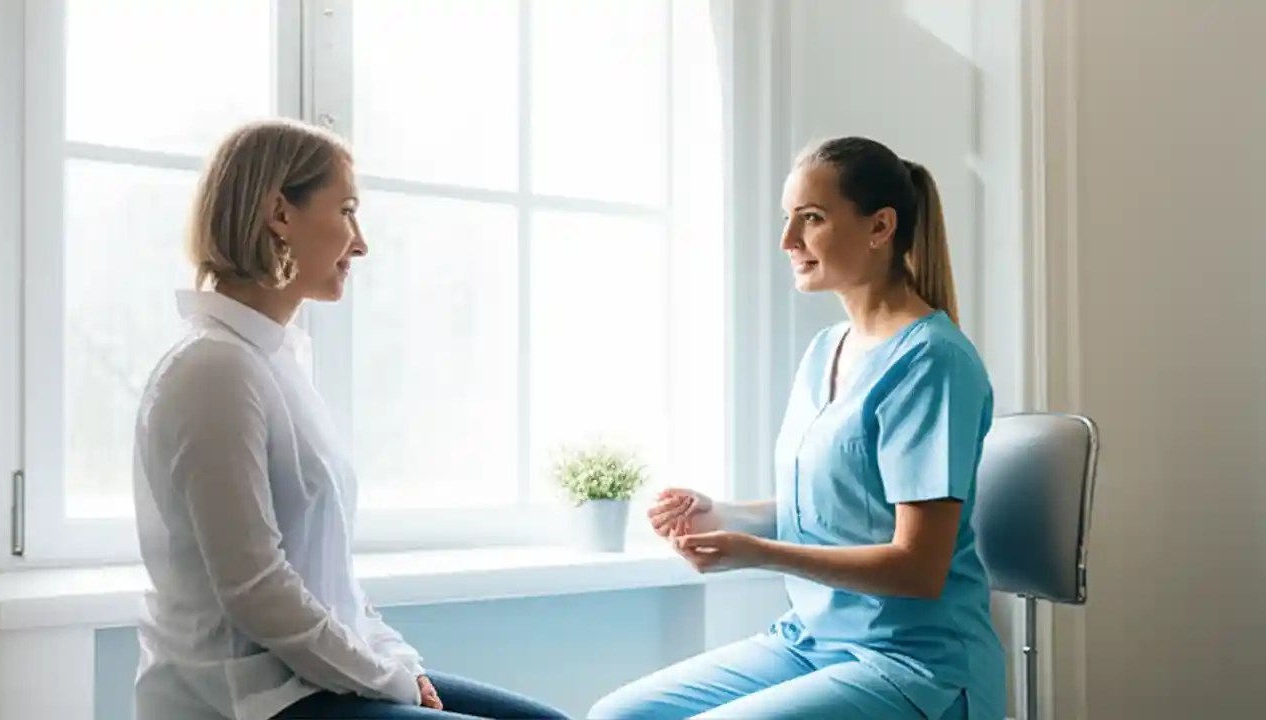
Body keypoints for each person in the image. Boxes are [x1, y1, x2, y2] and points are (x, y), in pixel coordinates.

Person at [132, 118, 568, 720]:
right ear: (280, 214)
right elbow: (257, 591)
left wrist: (401, 663)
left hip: (310, 680)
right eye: (346, 211)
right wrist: (389, 681)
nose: (359, 242)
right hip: (249, 701)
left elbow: (329, 581)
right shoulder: (214, 371)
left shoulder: (273, 362)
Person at [589, 137, 1006, 720]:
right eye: (788, 219)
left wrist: (757, 552)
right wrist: (725, 514)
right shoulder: (825, 350)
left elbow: (918, 566)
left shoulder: (933, 362)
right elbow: (832, 510)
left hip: (915, 664)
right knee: (616, 716)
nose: (788, 241)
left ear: (880, 227)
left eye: (810, 219)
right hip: (811, 642)